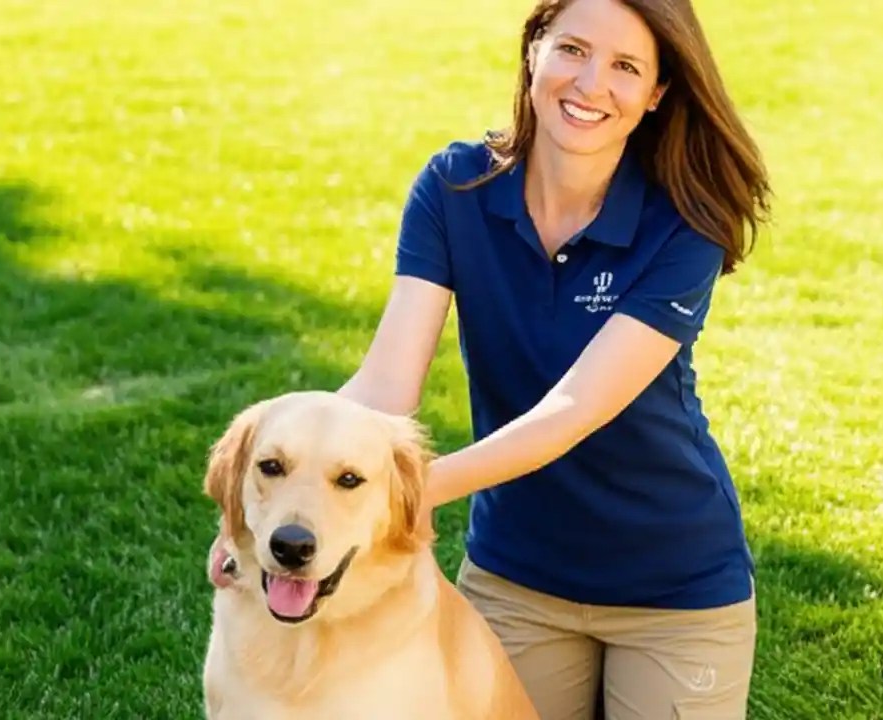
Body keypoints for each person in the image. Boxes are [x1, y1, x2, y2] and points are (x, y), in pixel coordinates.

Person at [208, 0, 771, 717]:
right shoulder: (455, 189)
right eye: (571, 49)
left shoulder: (685, 223)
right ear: (534, 48)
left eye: (626, 66)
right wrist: (277, 504)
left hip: (672, 587)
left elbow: (570, 414)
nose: (591, 83)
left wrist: (394, 495)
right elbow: (384, 387)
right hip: (516, 577)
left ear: (657, 92)